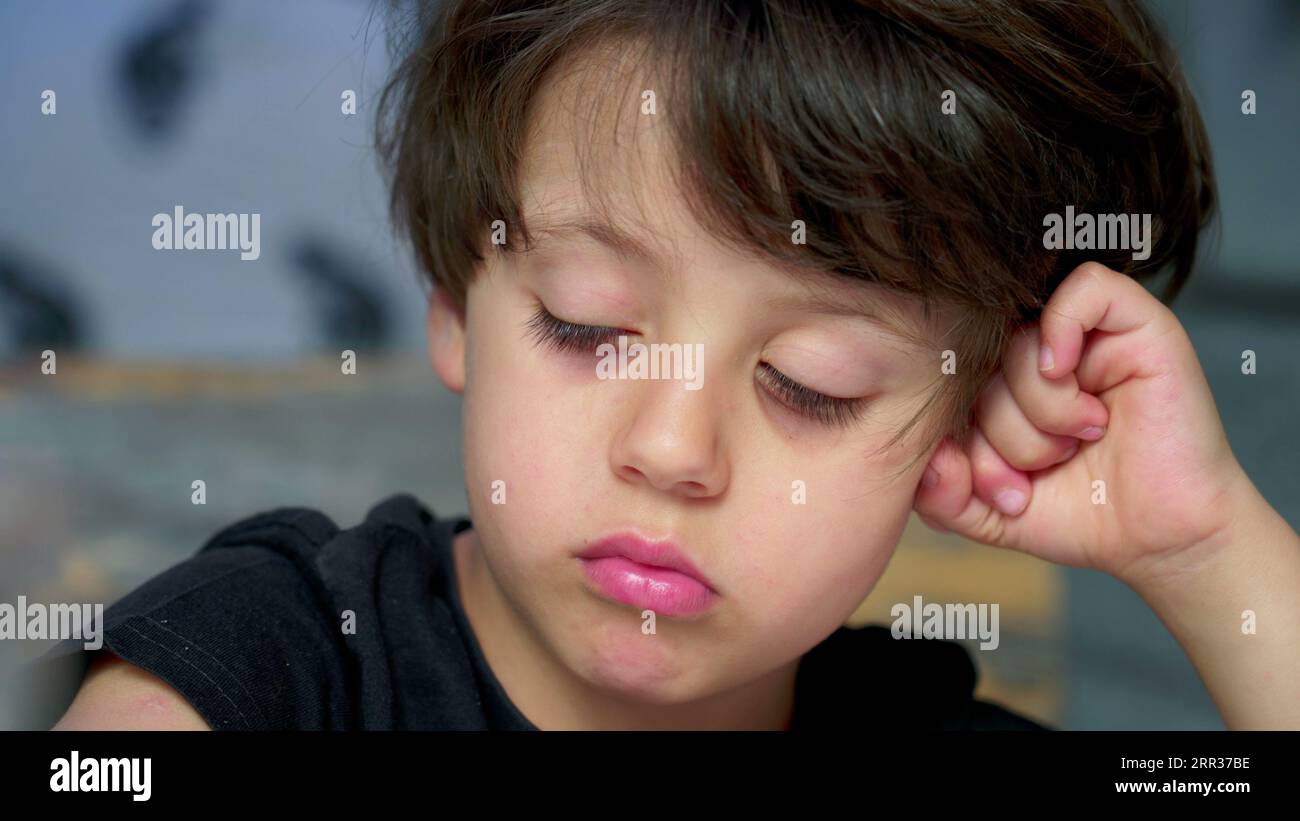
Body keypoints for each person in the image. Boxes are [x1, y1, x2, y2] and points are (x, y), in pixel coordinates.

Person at [35, 0, 1300, 730]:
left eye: (812, 382)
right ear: (458, 302)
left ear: (962, 414)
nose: (672, 449)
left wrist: (1203, 548)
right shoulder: (260, 666)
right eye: (587, 327)